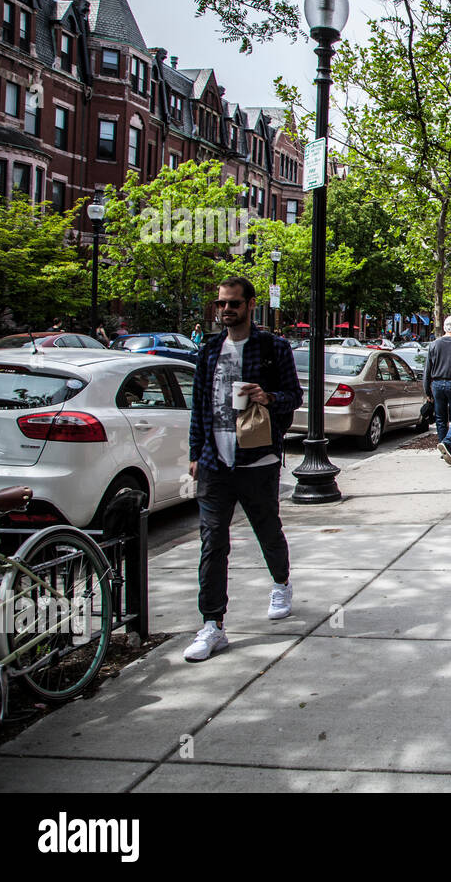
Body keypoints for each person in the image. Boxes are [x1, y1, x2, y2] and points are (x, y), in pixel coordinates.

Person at [184, 276, 303, 662]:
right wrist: (194, 453)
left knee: (267, 529)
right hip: (214, 460)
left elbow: (294, 397)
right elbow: (199, 406)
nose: (225, 310)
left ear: (251, 304)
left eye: (233, 304)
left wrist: (267, 397)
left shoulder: (273, 347)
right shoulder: (208, 349)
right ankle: (212, 625)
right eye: (221, 304)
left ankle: (281, 583)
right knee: (212, 541)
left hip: (258, 459)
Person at [425, 315, 451, 465]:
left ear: (444, 327)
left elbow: (427, 370)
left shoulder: (434, 345)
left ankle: (445, 448)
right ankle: (447, 444)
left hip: (436, 384)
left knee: (441, 419)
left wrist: (427, 391)